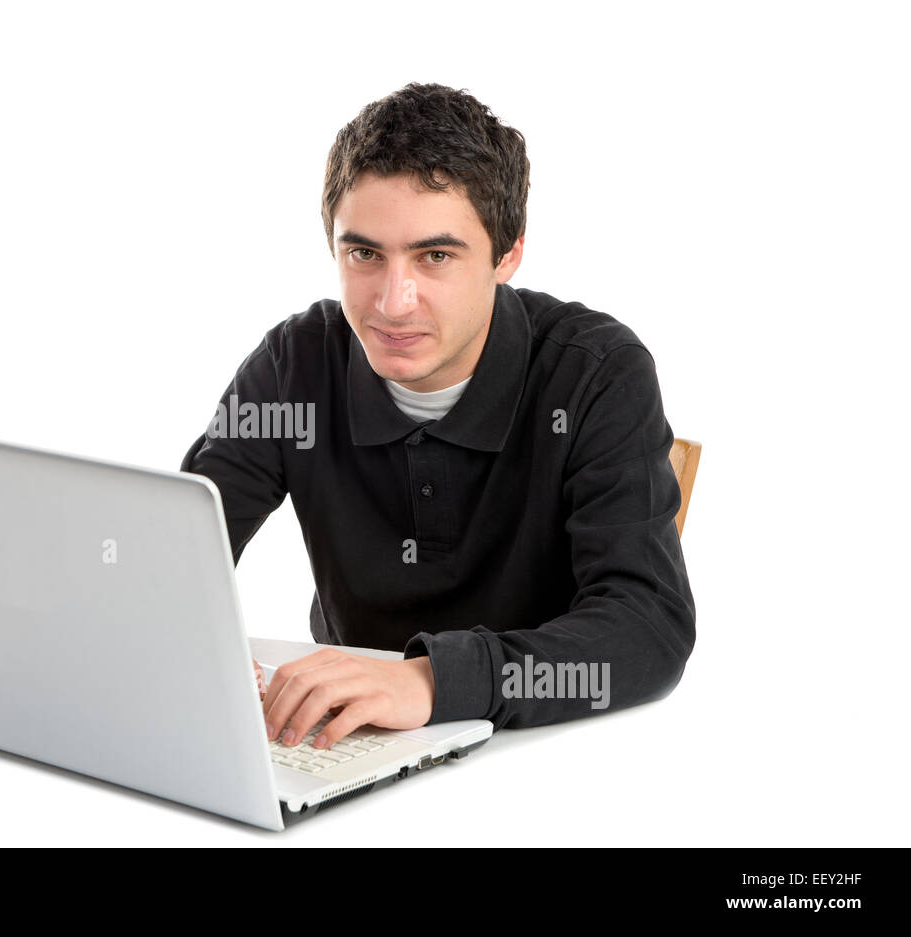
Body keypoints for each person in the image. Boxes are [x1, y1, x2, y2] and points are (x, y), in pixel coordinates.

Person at [182, 82, 695, 754]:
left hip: (545, 751)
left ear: (507, 252)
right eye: (364, 253)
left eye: (436, 256)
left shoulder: (597, 371)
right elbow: (177, 557)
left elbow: (647, 629)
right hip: (345, 747)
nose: (393, 303)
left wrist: (427, 681)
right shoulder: (295, 364)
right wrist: (200, 659)